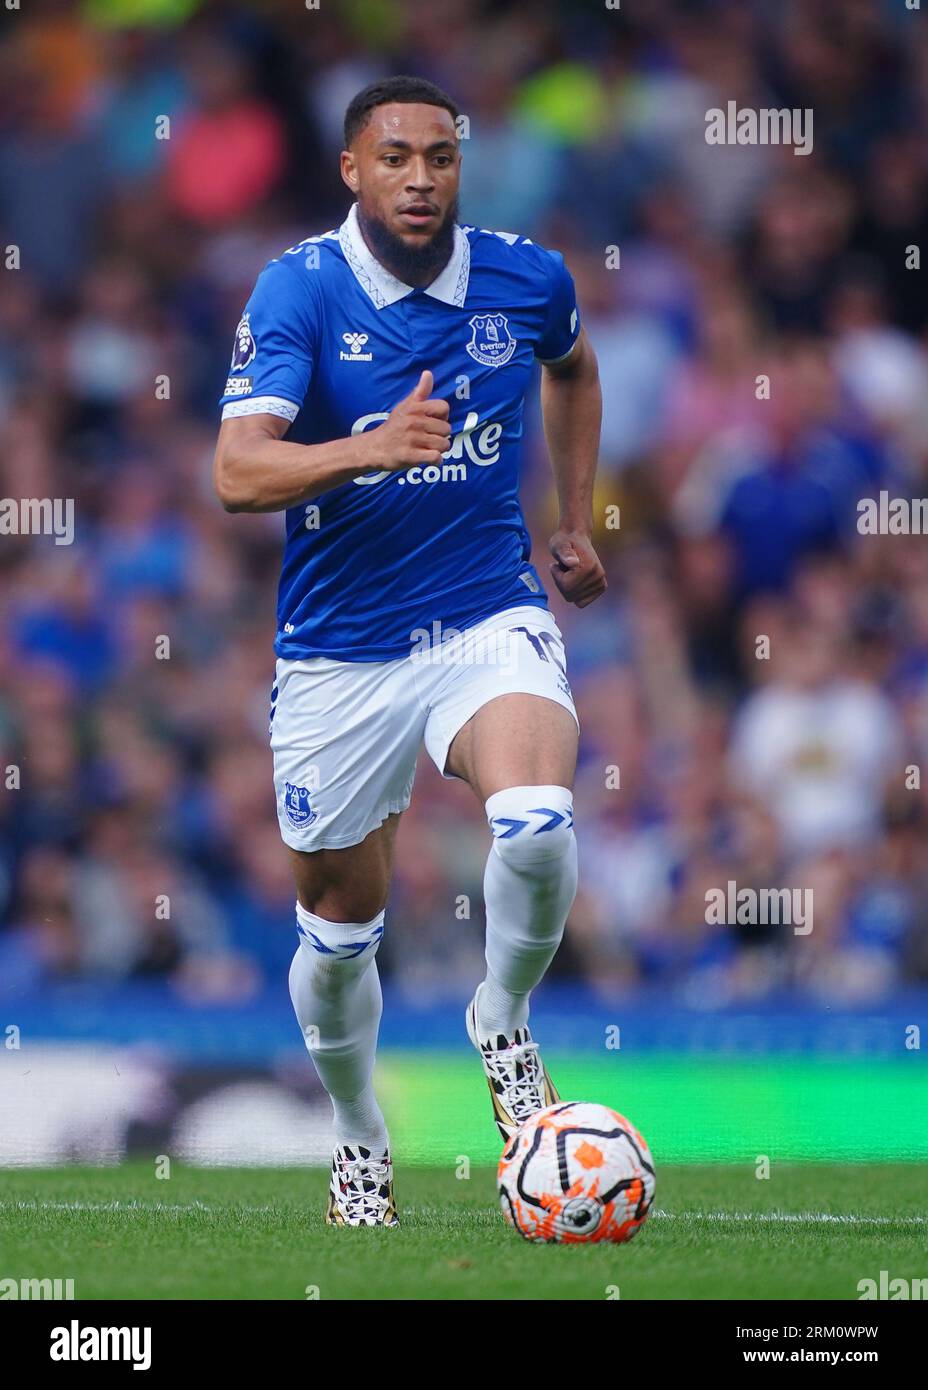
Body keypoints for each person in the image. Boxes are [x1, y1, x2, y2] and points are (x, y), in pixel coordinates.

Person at [213, 75, 605, 1227]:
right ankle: (358, 1135)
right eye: (395, 158)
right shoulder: (299, 287)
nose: (421, 178)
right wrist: (368, 448)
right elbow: (237, 471)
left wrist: (574, 518)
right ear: (353, 170)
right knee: (340, 936)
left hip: (485, 614)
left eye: (440, 156)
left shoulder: (527, 277)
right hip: (339, 653)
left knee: (536, 817)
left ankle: (503, 1020)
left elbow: (573, 368)